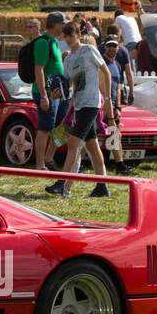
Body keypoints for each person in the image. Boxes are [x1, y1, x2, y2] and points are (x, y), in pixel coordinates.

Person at [47, 31, 113, 197]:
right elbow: (70, 83)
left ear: (78, 35)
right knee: (92, 145)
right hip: (78, 105)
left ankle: (63, 184)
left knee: (73, 142)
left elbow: (106, 72)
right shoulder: (68, 59)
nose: (68, 39)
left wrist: (108, 99)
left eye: (71, 35)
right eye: (66, 36)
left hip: (91, 104)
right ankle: (101, 186)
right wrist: (58, 92)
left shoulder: (89, 51)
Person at [31, 13, 66, 172]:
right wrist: (44, 95)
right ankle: (40, 165)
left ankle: (49, 156)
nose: (64, 27)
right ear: (56, 24)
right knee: (45, 128)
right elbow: (39, 70)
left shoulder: (54, 42)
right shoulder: (43, 42)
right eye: (63, 24)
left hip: (57, 93)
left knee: (63, 126)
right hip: (46, 93)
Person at [102, 37, 135, 176]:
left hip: (113, 107)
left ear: (118, 48)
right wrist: (106, 106)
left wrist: (118, 107)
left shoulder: (116, 64)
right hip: (102, 106)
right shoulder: (102, 64)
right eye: (109, 45)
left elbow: (118, 87)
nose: (111, 48)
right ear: (104, 47)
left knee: (115, 134)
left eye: (114, 46)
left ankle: (119, 164)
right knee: (88, 136)